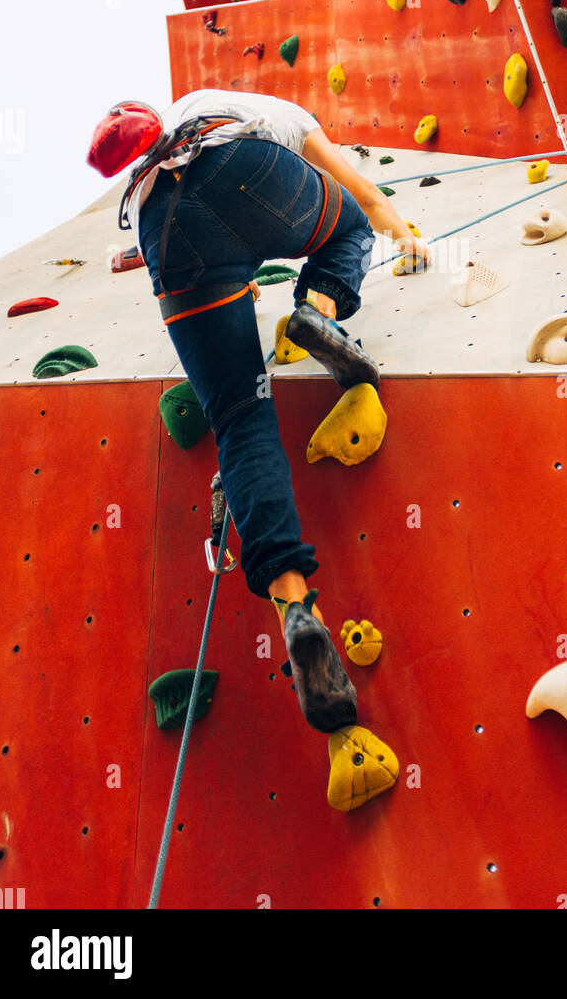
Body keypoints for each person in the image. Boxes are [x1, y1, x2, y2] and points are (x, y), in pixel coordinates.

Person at [88, 89, 430, 735]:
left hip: (167, 234)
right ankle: (318, 310)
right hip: (246, 169)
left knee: (240, 418)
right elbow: (362, 195)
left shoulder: (143, 181)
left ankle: (294, 605)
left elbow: (181, 227)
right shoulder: (249, 108)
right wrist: (404, 236)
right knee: (347, 227)